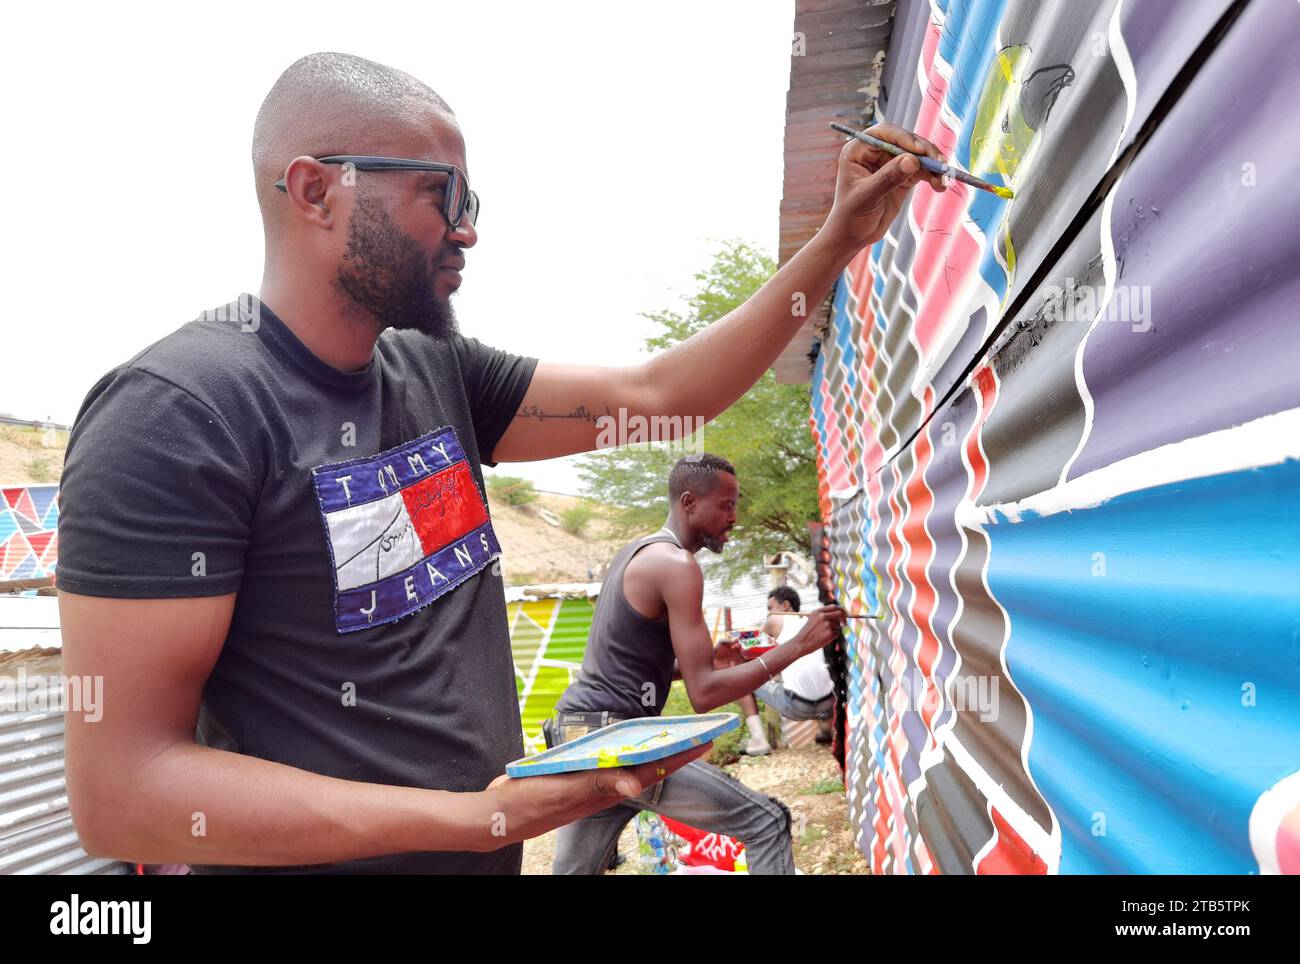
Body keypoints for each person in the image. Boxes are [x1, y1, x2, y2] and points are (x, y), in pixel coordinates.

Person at [55, 52, 945, 873]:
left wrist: (838, 240)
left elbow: (662, 397)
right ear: (317, 190)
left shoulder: (432, 370)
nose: (467, 231)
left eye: (473, 203)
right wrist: (481, 817)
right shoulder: (178, 414)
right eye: (443, 195)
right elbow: (122, 794)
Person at [550, 454, 847, 874]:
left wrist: (710, 661)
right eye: (727, 505)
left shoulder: (635, 553)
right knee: (767, 822)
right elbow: (704, 693)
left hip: (577, 736)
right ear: (689, 502)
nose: (735, 518)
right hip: (615, 742)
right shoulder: (677, 564)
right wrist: (799, 644)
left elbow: (631, 669)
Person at [736, 586, 835, 756]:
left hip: (796, 707)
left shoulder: (776, 620)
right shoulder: (812, 621)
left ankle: (758, 740)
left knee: (740, 680)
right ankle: (825, 730)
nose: (768, 613)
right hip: (827, 705)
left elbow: (750, 647)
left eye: (770, 608)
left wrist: (739, 636)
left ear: (786, 606)